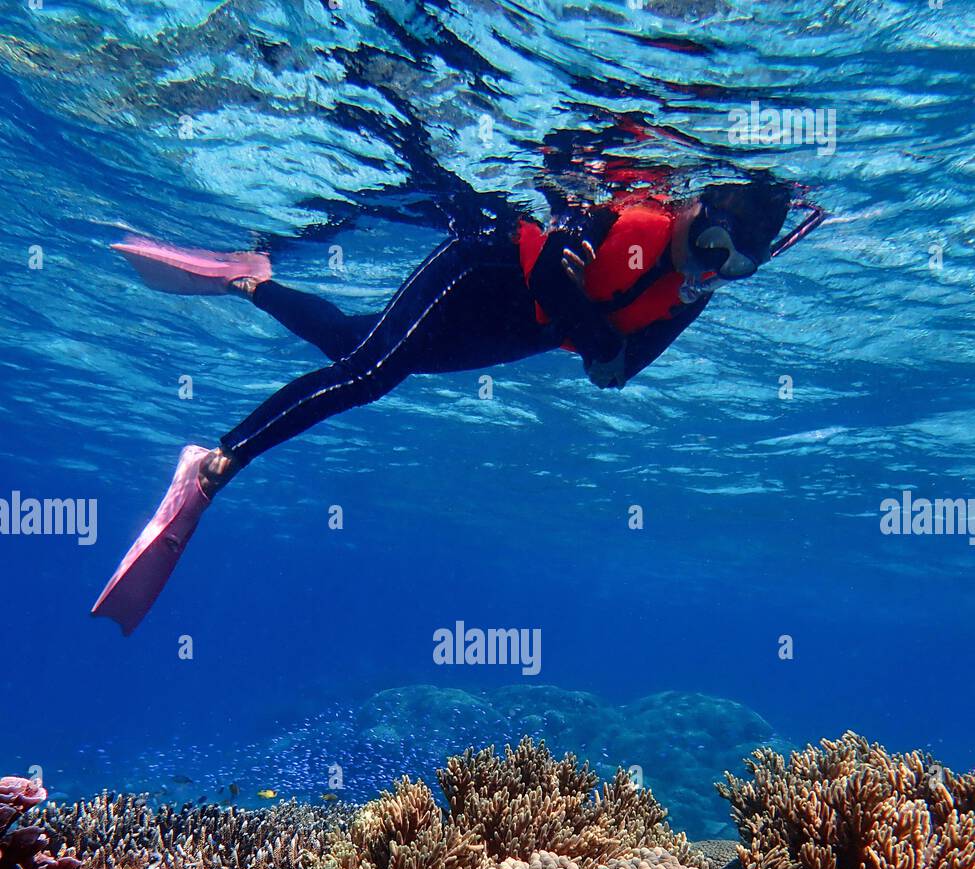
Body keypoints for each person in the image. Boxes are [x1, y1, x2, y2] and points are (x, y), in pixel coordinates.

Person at [93, 177, 822, 634]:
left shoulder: (692, 292)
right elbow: (554, 277)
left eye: (732, 268)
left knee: (354, 345)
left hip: (522, 329)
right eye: (712, 246)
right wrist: (596, 334)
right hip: (481, 269)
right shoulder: (633, 213)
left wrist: (595, 332)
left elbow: (617, 371)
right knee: (368, 373)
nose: (709, 268)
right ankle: (217, 462)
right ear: (700, 207)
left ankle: (247, 279)